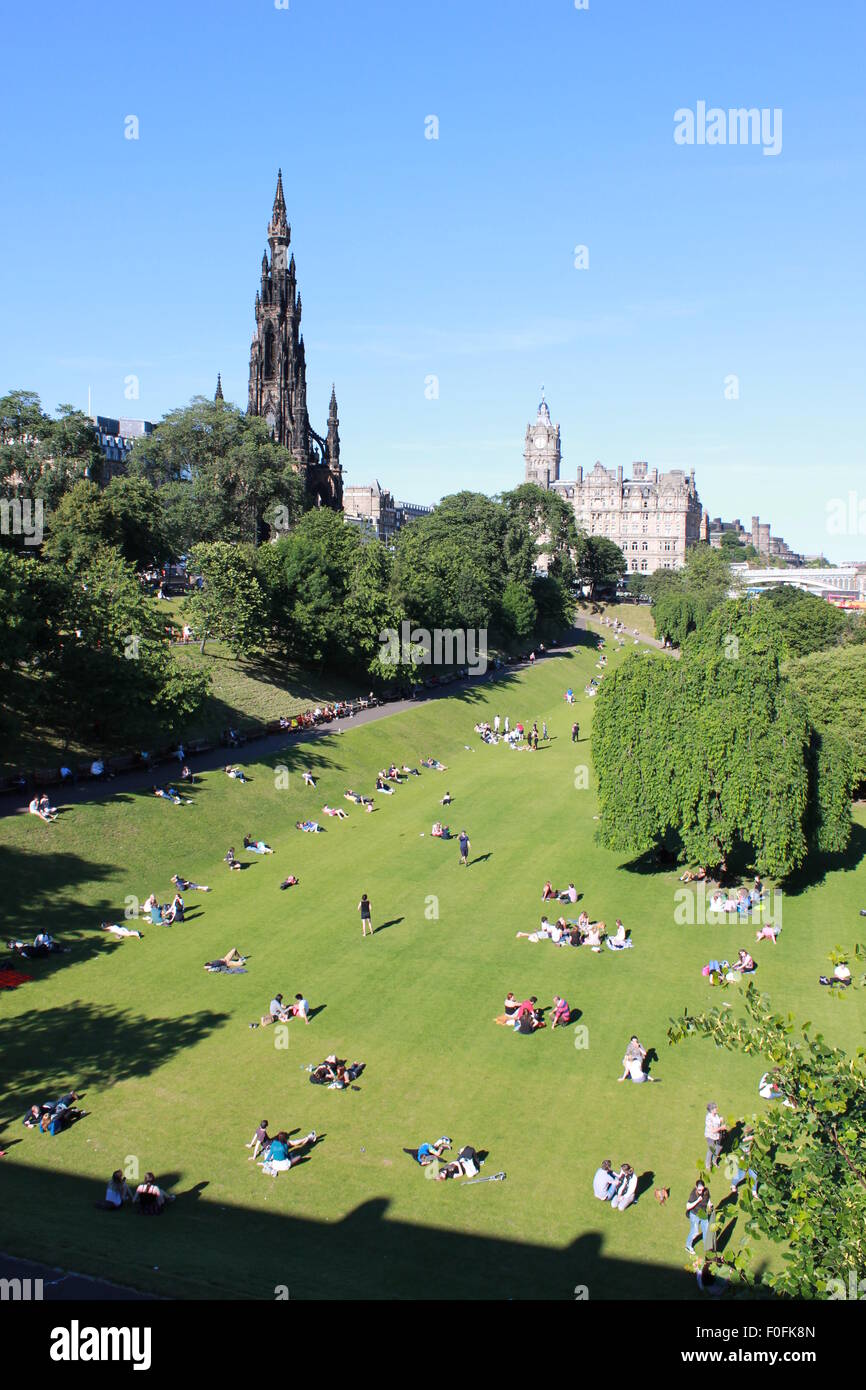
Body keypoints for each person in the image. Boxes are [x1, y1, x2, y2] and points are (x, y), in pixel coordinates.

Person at [685, 1181, 713, 1255]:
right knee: (694, 1232)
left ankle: (707, 1248)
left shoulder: (706, 1191)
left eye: (702, 1189)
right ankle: (688, 1246)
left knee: (707, 1231)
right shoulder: (693, 1194)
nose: (701, 1191)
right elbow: (688, 1206)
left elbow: (708, 1198)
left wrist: (709, 1204)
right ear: (696, 1187)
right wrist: (697, 1201)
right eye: (699, 1190)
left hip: (703, 1214)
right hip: (694, 1214)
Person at [705, 1102, 726, 1169]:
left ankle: (714, 1161)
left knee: (719, 1147)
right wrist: (721, 1128)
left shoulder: (716, 1115)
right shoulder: (709, 1118)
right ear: (711, 1110)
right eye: (715, 1108)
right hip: (710, 1136)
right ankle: (708, 1165)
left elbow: (717, 1122)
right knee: (711, 1150)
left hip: (718, 1135)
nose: (717, 1109)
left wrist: (720, 1120)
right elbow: (713, 1131)